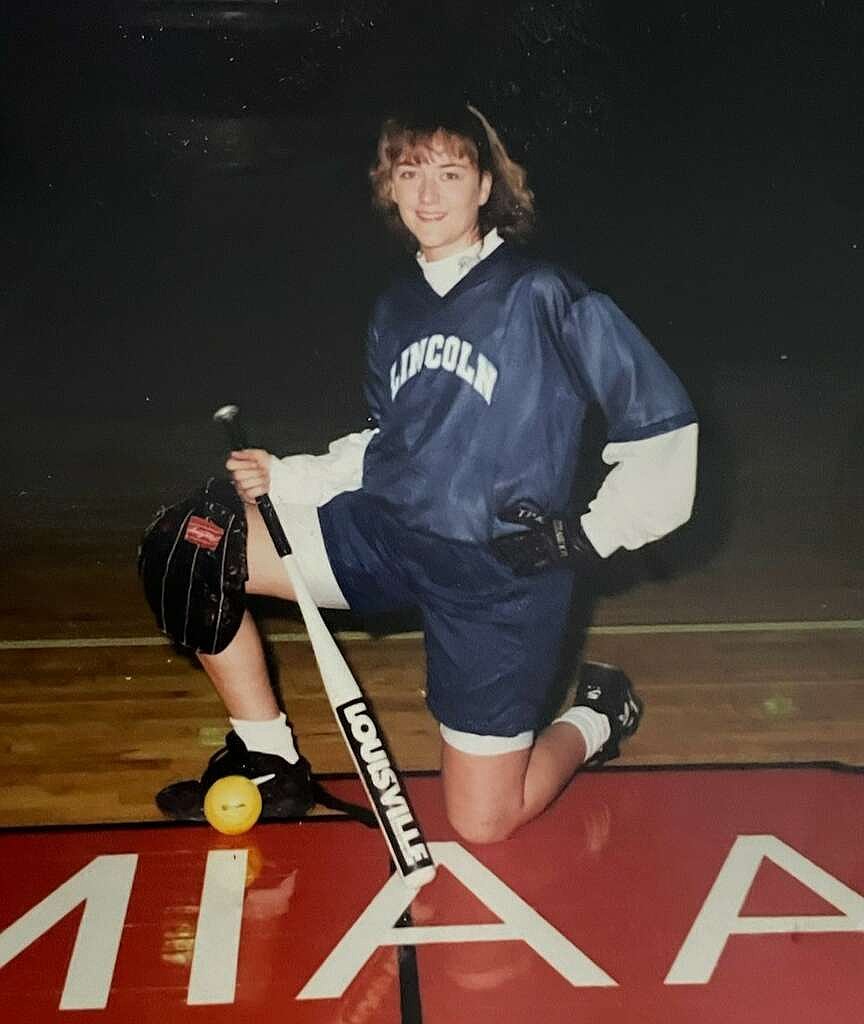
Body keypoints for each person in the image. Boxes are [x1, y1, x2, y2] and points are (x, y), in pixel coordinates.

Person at [140, 101, 698, 844]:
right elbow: (389, 442)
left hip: (499, 577)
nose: (429, 194)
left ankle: (598, 713)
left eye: (450, 172)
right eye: (411, 173)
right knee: (193, 544)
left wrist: (589, 536)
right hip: (390, 537)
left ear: (486, 185)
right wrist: (292, 475)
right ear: (390, 188)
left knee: (483, 821)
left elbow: (664, 426)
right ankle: (269, 761)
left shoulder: (546, 295)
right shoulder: (395, 307)